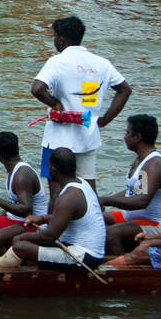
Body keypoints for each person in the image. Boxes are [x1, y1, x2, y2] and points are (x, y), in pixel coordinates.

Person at [30, 15, 130, 190]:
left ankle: (56, 217)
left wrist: (54, 103)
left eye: (54, 36)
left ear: (61, 39)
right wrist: (105, 120)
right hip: (88, 137)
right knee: (88, 190)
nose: (54, 40)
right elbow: (124, 90)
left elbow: (37, 89)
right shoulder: (101, 63)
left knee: (56, 191)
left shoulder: (57, 62)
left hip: (58, 140)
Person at [0, 148, 107, 271]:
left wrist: (24, 237)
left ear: (52, 169)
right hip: (86, 251)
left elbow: (51, 235)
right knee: (23, 240)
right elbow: (69, 216)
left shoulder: (67, 197)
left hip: (82, 257)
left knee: (20, 245)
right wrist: (42, 218)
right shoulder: (82, 183)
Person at [100, 115, 161, 256]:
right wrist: (98, 200)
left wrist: (106, 200)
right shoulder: (141, 159)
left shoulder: (155, 164)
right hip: (134, 217)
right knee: (95, 218)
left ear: (138, 137)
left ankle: (119, 270)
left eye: (127, 133)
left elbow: (142, 201)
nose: (125, 137)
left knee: (110, 234)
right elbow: (134, 190)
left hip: (158, 223)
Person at [108, 143, 161, 270]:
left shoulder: (153, 164)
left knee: (142, 252)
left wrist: (151, 242)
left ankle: (111, 273)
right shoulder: (142, 163)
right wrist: (152, 238)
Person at [0, 131, 48, 257]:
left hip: (33, 225)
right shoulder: (13, 171)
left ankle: (19, 265)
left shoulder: (21, 175)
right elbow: (14, 204)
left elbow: (26, 210)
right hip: (17, 221)